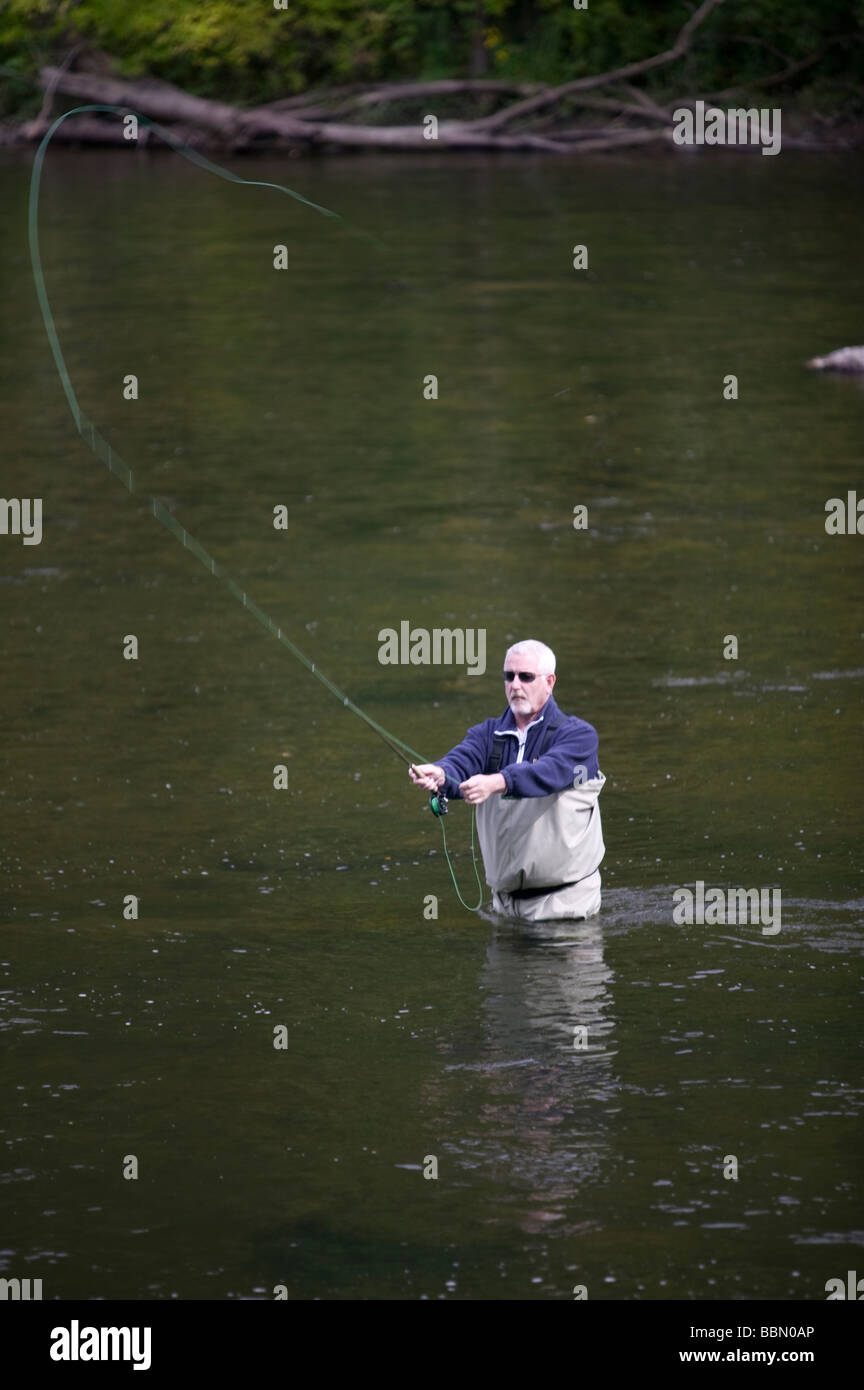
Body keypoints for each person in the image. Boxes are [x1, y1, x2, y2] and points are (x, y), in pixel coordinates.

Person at [409, 640, 606, 920]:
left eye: (525, 677)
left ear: (549, 682)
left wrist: (497, 781)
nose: (515, 685)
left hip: (568, 904)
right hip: (505, 906)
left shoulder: (579, 736)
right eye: (509, 676)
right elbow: (461, 762)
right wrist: (440, 774)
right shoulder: (486, 734)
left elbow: (549, 772)